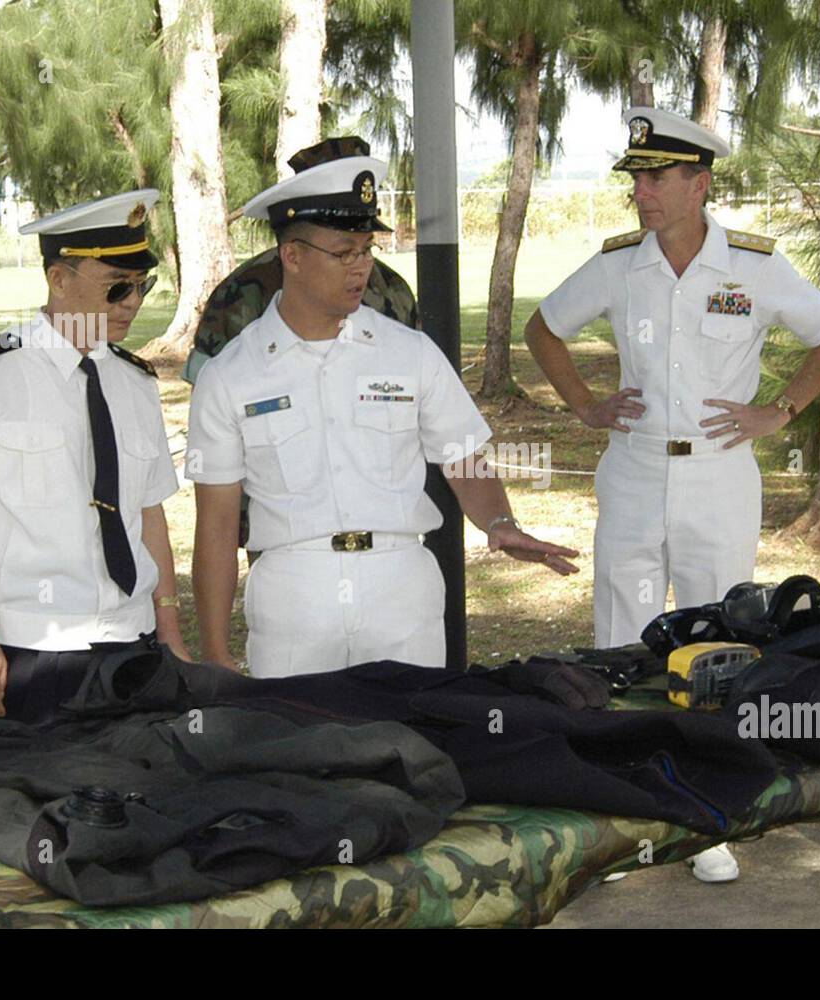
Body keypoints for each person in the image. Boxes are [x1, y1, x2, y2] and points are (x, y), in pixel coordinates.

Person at [524, 107, 820, 884]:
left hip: (719, 472)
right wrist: (582, 404)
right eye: (636, 177)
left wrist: (781, 410)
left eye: (654, 178)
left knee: (717, 640)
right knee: (622, 637)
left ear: (697, 183)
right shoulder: (616, 265)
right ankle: (620, 810)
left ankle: (712, 816)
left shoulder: (753, 265)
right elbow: (544, 331)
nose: (640, 191)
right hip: (635, 467)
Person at [188, 138, 578, 678]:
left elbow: (463, 457)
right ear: (292, 256)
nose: (361, 269)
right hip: (293, 592)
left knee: (413, 749)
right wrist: (213, 653)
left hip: (400, 587)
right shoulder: (230, 374)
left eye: (367, 250)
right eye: (343, 253)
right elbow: (216, 521)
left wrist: (499, 519)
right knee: (301, 754)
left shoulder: (409, 351)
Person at [0, 190, 187, 723]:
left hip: (134, 644)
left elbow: (151, 514)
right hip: (34, 650)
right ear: (59, 280)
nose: (132, 302)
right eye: (116, 287)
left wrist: (169, 634)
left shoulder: (136, 381)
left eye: (141, 286)